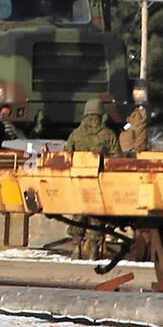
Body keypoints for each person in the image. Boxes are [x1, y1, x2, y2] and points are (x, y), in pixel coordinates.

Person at [64, 99, 120, 259]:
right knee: (97, 215)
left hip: (79, 181)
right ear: (101, 114)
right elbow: (118, 159)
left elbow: (67, 154)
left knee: (79, 213)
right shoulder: (108, 134)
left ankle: (76, 246)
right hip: (100, 182)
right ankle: (93, 249)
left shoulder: (76, 134)